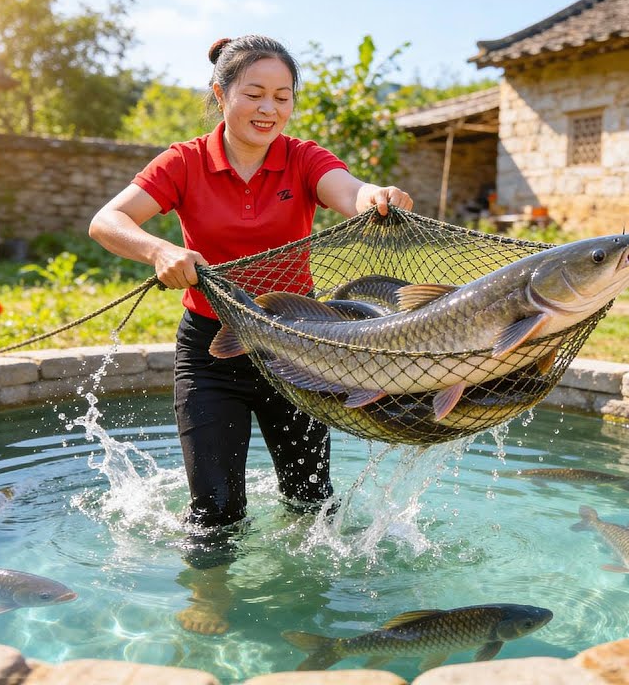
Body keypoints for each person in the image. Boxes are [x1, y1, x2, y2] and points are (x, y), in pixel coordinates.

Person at [88, 34, 413, 634]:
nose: (269, 108)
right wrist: (159, 247)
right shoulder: (182, 161)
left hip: (299, 349)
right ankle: (208, 595)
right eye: (254, 93)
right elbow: (106, 221)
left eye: (282, 97)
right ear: (221, 94)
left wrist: (374, 197)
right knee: (215, 507)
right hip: (211, 352)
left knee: (309, 495)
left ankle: (308, 600)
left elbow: (348, 190)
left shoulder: (301, 157)